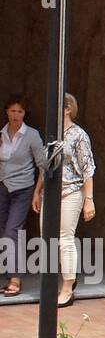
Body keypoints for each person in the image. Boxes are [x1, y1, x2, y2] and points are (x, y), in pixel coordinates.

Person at [31, 94, 94, 308]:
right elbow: (44, 166)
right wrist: (37, 192)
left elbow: (88, 169)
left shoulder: (79, 135)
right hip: (49, 193)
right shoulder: (50, 134)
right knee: (46, 239)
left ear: (67, 109)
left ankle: (67, 287)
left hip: (71, 191)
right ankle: (50, 286)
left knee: (65, 238)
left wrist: (89, 200)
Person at [0, 96, 44, 297]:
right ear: (7, 112)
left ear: (24, 114)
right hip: (3, 187)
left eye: (20, 111)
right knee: (3, 230)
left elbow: (42, 165)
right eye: (13, 111)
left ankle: (15, 278)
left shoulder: (32, 135)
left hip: (23, 189)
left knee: (12, 231)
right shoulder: (1, 134)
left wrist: (37, 192)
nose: (16, 115)